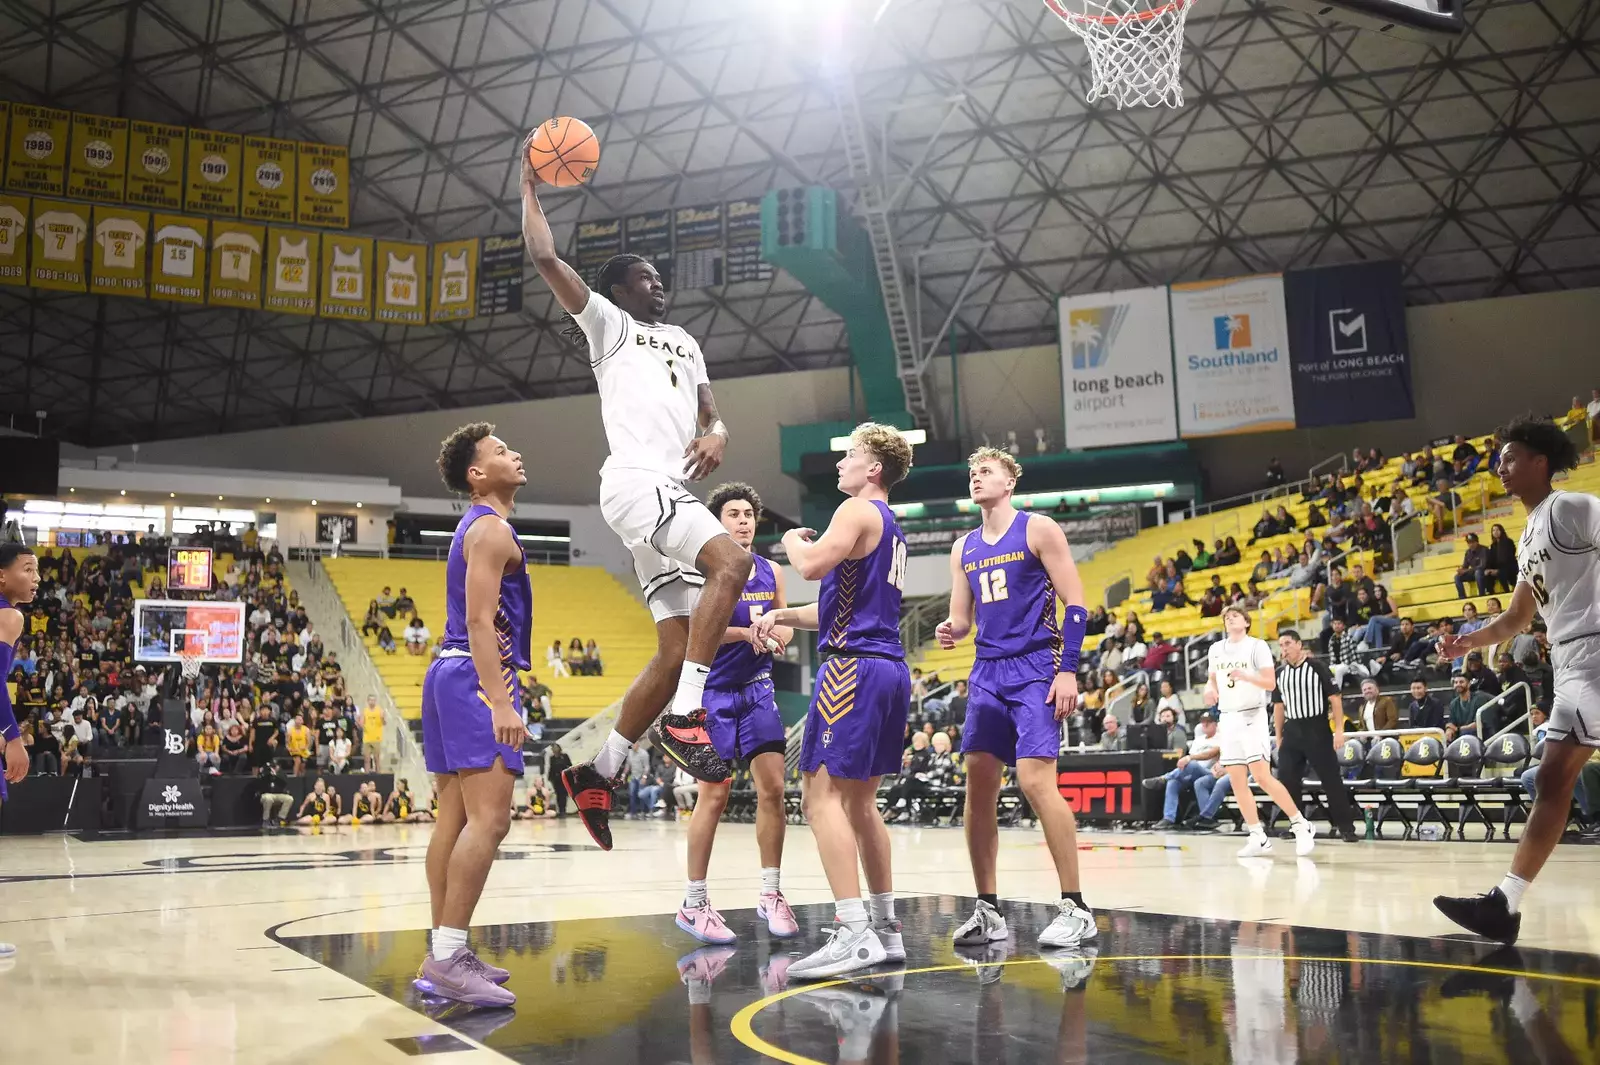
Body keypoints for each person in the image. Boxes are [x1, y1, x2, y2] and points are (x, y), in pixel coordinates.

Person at [524, 159, 755, 849]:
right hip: (636, 482)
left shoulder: (685, 341)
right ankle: (687, 715)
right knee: (733, 564)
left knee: (676, 645)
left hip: (667, 491)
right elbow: (545, 257)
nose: (660, 285)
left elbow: (712, 412)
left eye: (659, 278)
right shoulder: (610, 326)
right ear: (620, 289)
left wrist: (717, 434)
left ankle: (599, 769)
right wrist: (530, 187)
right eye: (647, 278)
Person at [750, 423, 914, 980]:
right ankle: (886, 928)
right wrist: (782, 614)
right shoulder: (890, 526)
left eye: (850, 455)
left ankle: (852, 931)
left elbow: (809, 565)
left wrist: (793, 540)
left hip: (852, 669)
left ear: (874, 469)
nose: (841, 464)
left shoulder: (855, 510)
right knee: (862, 804)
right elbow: (835, 609)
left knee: (818, 796)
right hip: (888, 668)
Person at [1433, 417, 1597, 943]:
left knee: (1555, 778)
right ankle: (1504, 903)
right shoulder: (1527, 536)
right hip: (1569, 660)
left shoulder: (1571, 508)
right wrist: (1469, 642)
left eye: (1509, 459)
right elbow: (1517, 618)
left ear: (1540, 462)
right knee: (1552, 780)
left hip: (1594, 651)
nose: (1499, 468)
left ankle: (1505, 902)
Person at [933, 447, 1096, 951]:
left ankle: (1076, 907)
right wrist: (950, 629)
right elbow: (963, 619)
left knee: (1034, 780)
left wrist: (1067, 670)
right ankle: (988, 910)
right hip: (987, 671)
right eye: (972, 471)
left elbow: (1077, 605)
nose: (975, 477)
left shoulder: (1039, 529)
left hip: (1037, 667)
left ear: (1009, 482)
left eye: (986, 471)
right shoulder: (963, 548)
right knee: (978, 787)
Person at [414, 423, 532, 1008]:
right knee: (490, 821)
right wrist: (502, 700)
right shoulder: (491, 529)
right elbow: (482, 622)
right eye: (501, 451)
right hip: (476, 677)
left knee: (454, 819)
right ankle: (448, 956)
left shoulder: (477, 526)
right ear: (477, 475)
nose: (516, 453)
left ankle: (444, 951)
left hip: (448, 670)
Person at [677, 482, 799, 945]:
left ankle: (771, 893)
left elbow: (784, 622)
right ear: (718, 522)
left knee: (774, 788)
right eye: (734, 513)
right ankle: (694, 901)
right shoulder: (702, 571)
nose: (744, 521)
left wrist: (776, 633)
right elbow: (694, 631)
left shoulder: (771, 570)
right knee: (713, 794)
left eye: (749, 513)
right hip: (713, 693)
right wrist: (745, 633)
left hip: (758, 690)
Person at [1206, 607, 1316, 857]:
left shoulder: (1257, 646)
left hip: (1251, 715)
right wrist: (1209, 689)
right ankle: (1257, 835)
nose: (1229, 618)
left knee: (1262, 777)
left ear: (1246, 622)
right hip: (1228, 717)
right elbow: (1212, 679)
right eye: (1226, 617)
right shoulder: (1215, 649)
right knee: (1236, 781)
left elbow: (1270, 683)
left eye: (1235, 615)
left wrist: (1247, 676)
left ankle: (1300, 824)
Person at [1272, 631, 1360, 843]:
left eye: (1288, 643)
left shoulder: (1317, 667)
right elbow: (1278, 706)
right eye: (1281, 645)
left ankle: (1346, 827)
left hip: (1316, 728)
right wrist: (1279, 735)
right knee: (1287, 779)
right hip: (1292, 729)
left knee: (1331, 780)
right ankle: (1297, 825)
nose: (1284, 649)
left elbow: (1335, 699)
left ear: (1299, 644)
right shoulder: (1279, 673)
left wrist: (1339, 731)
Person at [0, 543, 41, 883]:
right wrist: (13, 738)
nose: (36, 578)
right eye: (28, 569)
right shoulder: (10, 616)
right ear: (2, 576)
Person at [1143, 715, 1222, 829]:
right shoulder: (1198, 740)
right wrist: (1188, 759)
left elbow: (1210, 754)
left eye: (1208, 722)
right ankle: (1168, 818)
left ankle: (1163, 778)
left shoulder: (1220, 738)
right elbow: (1191, 757)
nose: (1205, 725)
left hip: (1210, 772)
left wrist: (1189, 758)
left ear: (1215, 724)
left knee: (1192, 764)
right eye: (1203, 722)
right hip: (1193, 773)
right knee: (1173, 782)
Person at [257, 760, 292, 825]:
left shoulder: (282, 774)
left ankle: (280, 818)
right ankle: (266, 819)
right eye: (272, 767)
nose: (273, 768)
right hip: (266, 794)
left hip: (278, 794)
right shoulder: (265, 773)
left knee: (289, 798)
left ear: (279, 767)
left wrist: (276, 775)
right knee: (268, 798)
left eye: (275, 766)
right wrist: (266, 773)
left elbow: (284, 782)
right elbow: (260, 781)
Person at [361, 694, 384, 772]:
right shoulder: (365, 711)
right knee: (366, 760)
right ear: (368, 701)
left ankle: (378, 775)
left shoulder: (380, 710)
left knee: (377, 759)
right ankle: (366, 775)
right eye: (370, 700)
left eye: (373, 700)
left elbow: (384, 723)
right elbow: (362, 722)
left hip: (376, 738)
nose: (372, 701)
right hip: (367, 738)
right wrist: (363, 727)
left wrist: (383, 718)